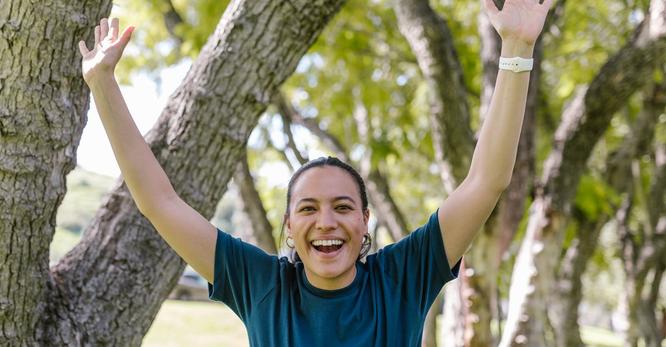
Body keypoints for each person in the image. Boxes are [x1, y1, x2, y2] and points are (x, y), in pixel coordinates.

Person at [78, 0, 552, 345]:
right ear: (289, 226)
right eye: (308, 208)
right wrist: (102, 83)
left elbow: (486, 182)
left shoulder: (403, 278)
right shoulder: (262, 285)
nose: (326, 221)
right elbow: (158, 202)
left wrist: (516, 48)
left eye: (343, 207)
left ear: (365, 221)